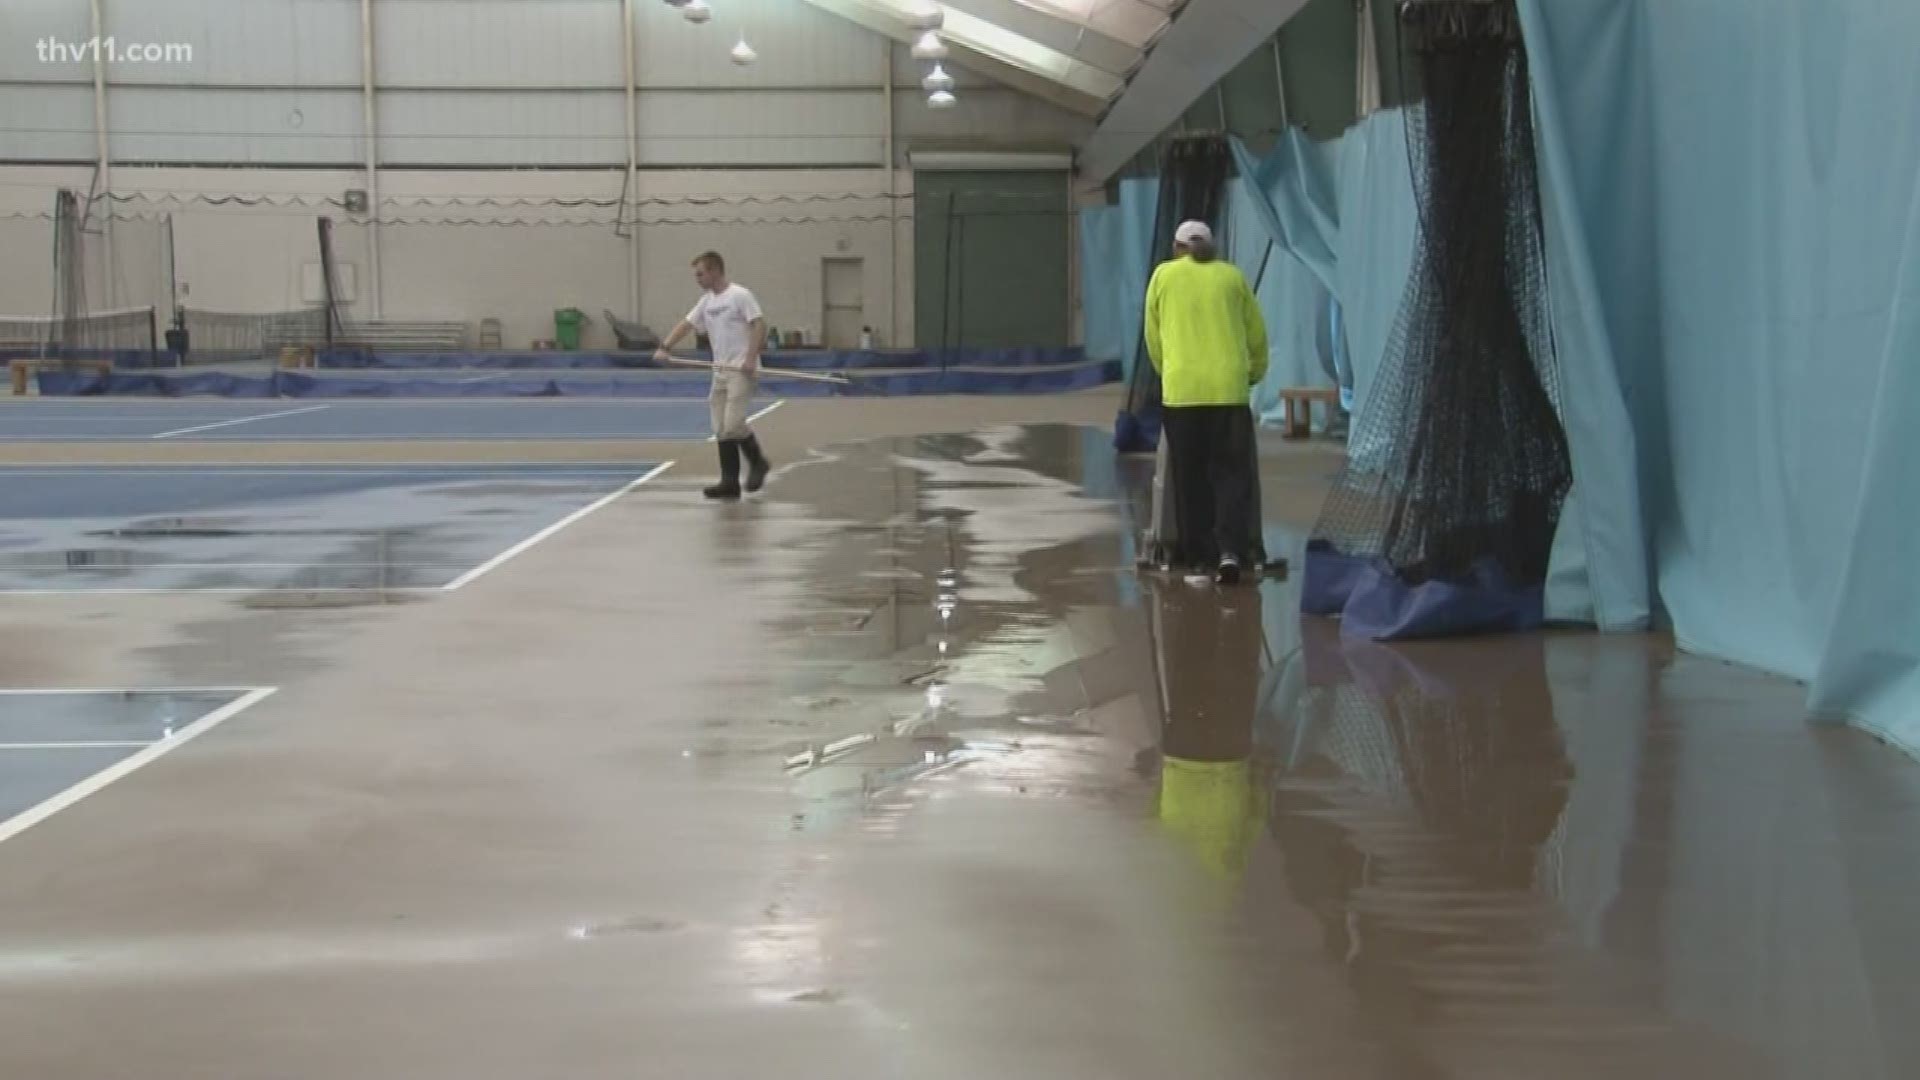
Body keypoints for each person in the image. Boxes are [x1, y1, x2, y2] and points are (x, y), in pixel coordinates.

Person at [1144, 220, 1270, 584]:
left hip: (1182, 393)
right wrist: (1252, 374)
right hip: (1229, 393)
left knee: (1190, 477)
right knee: (1232, 474)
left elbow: (1154, 339)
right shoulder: (1232, 278)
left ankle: (1199, 560)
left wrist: (1169, 373)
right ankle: (1231, 551)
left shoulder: (1162, 277)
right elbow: (1256, 336)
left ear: (1176, 246)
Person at [655, 251, 772, 500]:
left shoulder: (739, 295)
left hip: (741, 370)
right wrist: (665, 347)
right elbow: (686, 324)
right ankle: (729, 483)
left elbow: (759, 325)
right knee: (720, 428)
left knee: (732, 425)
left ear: (715, 270)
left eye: (700, 273)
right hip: (719, 371)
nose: (697, 278)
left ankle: (758, 462)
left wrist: (750, 358)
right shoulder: (706, 301)